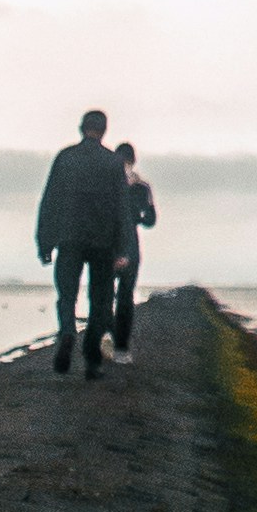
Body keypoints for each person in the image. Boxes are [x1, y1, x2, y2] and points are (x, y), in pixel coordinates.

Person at [34, 109, 130, 379]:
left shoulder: (66, 158)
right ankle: (91, 357)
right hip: (103, 240)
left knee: (66, 295)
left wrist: (44, 242)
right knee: (100, 299)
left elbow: (50, 201)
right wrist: (123, 248)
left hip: (69, 238)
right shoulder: (113, 163)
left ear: (81, 128)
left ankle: (67, 332)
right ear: (104, 131)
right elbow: (122, 209)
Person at [108, 142, 157, 362]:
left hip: (113, 245)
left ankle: (116, 342)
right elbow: (150, 219)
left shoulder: (115, 186)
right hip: (128, 245)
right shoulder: (140, 187)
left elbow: (150, 219)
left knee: (114, 296)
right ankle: (119, 346)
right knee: (120, 296)